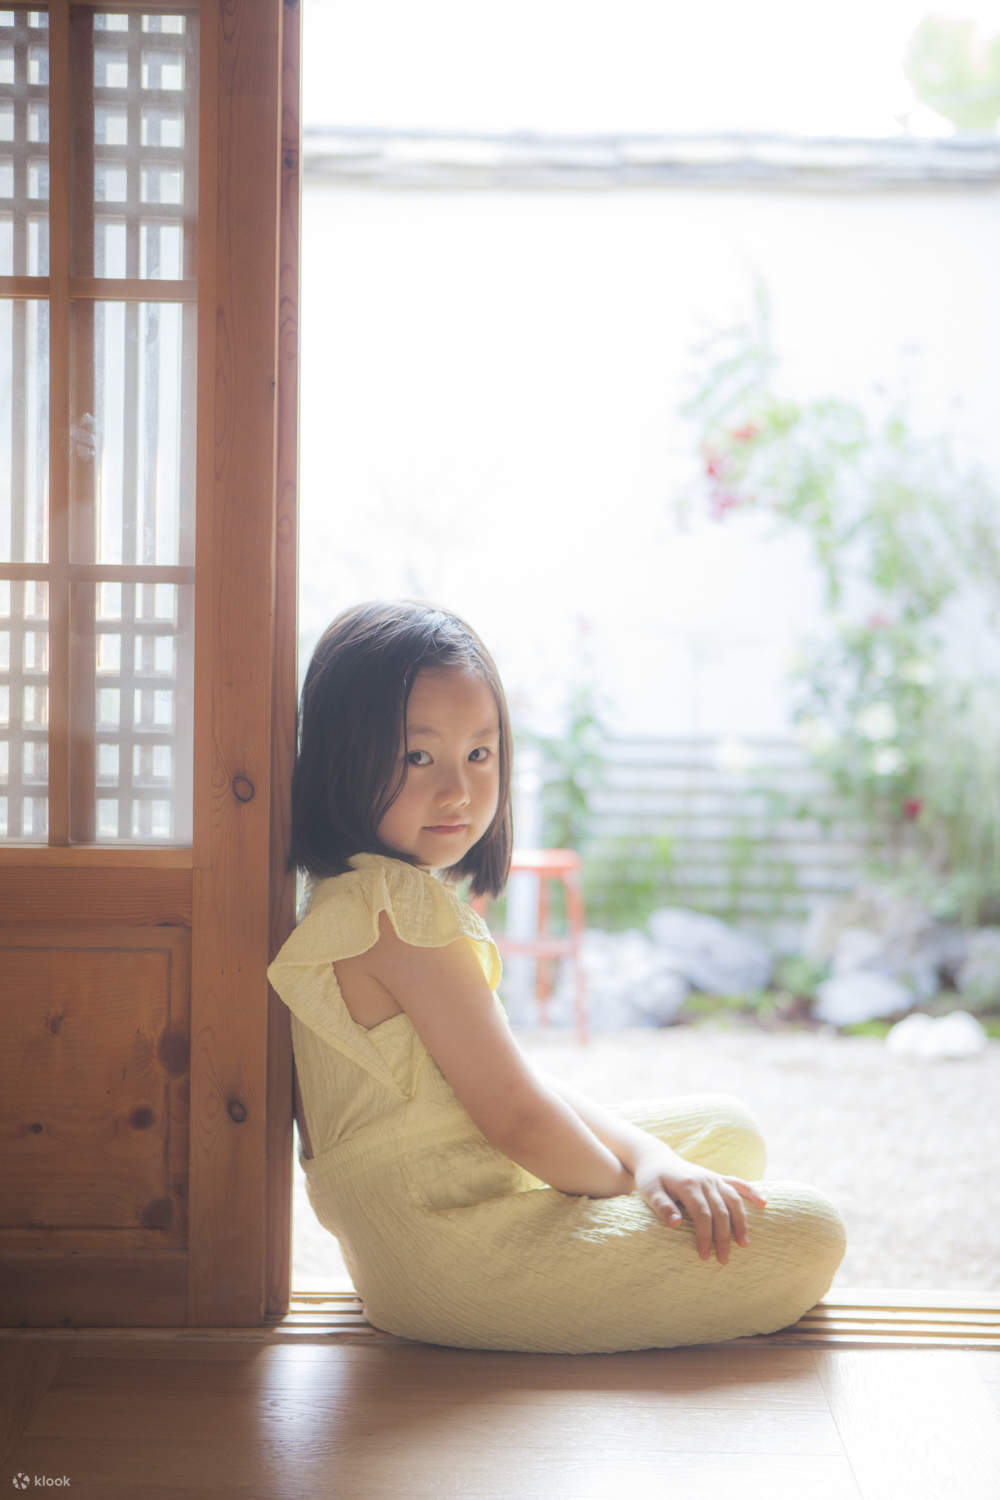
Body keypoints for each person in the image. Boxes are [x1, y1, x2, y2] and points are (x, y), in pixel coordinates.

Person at [267, 599, 846, 1354]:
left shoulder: (351, 891)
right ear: (346, 755)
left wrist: (652, 1161)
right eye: (418, 757)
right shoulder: (392, 908)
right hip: (452, 1257)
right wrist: (639, 1196)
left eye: (480, 754)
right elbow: (519, 1121)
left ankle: (648, 1185)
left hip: (428, 1229)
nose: (459, 791)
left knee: (724, 1133)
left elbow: (507, 1083)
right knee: (813, 1233)